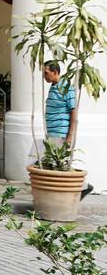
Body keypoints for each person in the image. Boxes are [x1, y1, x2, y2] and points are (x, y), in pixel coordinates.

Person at [43, 61, 92, 197]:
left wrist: (69, 137)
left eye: (46, 73)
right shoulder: (53, 86)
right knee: (55, 164)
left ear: (55, 72)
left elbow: (73, 113)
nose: (44, 76)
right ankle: (77, 188)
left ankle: (83, 187)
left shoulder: (66, 87)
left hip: (60, 132)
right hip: (52, 132)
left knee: (58, 164)